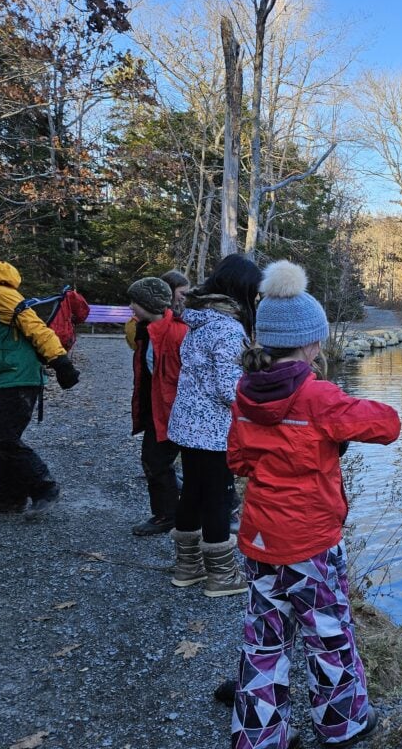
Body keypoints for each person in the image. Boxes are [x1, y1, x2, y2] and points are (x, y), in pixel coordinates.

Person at [228, 260, 400, 749]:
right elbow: (388, 425)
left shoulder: (245, 394)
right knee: (328, 634)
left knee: (264, 639)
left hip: (261, 540)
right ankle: (342, 724)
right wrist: (333, 426)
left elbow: (238, 461)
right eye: (319, 339)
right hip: (310, 544)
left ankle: (260, 736)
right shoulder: (320, 397)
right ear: (310, 343)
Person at [167, 254, 261, 598]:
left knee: (191, 492)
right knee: (219, 497)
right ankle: (221, 576)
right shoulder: (227, 328)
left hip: (187, 424)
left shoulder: (201, 320)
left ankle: (187, 568)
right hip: (213, 430)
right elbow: (228, 388)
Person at [0, 244, 80, 517]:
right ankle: (9, 499)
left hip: (17, 376)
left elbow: (35, 326)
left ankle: (45, 488)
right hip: (3, 376)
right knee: (5, 437)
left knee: (3, 437)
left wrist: (60, 361)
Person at [126, 276, 187, 536]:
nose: (130, 307)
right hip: (157, 408)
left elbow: (180, 377)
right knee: (154, 460)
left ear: (148, 303)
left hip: (172, 411)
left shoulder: (174, 332)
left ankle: (167, 515)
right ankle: (170, 512)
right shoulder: (147, 329)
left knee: (156, 461)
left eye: (134, 302)